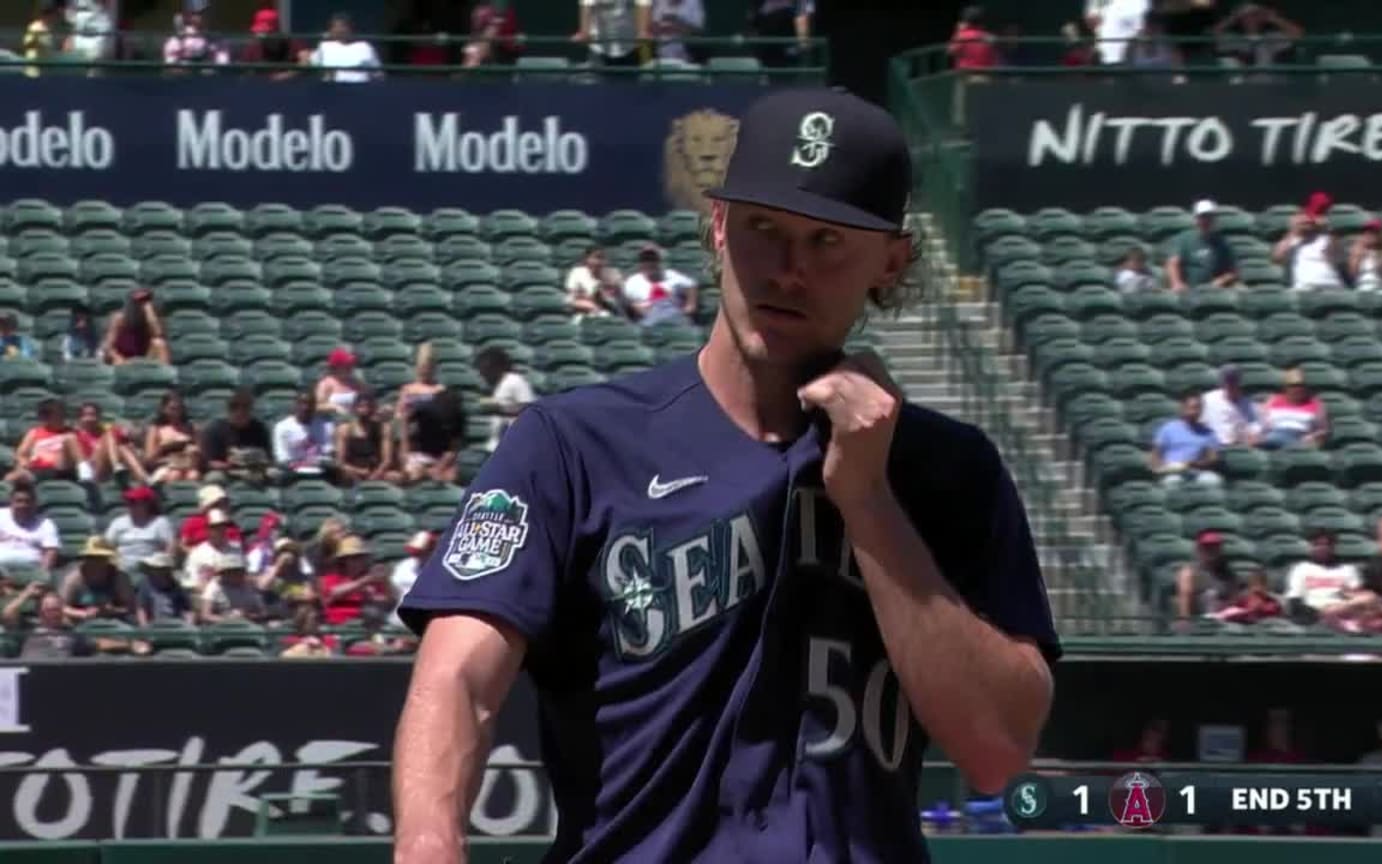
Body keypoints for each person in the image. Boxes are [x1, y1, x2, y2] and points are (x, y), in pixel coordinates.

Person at [392, 87, 1058, 863]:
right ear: (717, 225)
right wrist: (429, 842)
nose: (788, 270)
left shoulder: (949, 471)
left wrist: (869, 500)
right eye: (764, 229)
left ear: (892, 261)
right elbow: (459, 678)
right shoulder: (572, 445)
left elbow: (999, 748)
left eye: (827, 241)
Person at [1272, 194, 1347, 292]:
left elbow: (1339, 262)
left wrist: (1326, 230)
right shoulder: (1294, 240)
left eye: (1317, 215)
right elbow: (1277, 257)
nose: (1309, 221)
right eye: (1305, 217)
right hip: (1304, 289)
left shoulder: (1328, 238)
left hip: (1333, 286)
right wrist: (1294, 231)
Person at [1148, 391, 1224, 487]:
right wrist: (1160, 468)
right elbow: (1156, 454)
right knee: (1173, 481)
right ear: (1183, 408)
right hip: (1172, 472)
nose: (1195, 412)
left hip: (1197, 472)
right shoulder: (1168, 429)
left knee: (1213, 481)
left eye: (1199, 408)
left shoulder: (1208, 433)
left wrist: (1195, 464)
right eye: (1192, 408)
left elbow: (1213, 458)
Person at [5, 398, 86, 485]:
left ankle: (86, 476)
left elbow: (80, 454)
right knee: (11, 477)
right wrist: (23, 463)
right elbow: (21, 454)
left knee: (69, 439)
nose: (61, 417)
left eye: (61, 414)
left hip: (61, 469)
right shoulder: (35, 432)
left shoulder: (72, 433)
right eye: (57, 415)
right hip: (37, 470)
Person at [1166, 199, 1237, 292]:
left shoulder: (1223, 242)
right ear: (1196, 219)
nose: (1206, 220)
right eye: (1203, 217)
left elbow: (1233, 272)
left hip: (1215, 291)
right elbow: (1172, 263)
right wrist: (1177, 283)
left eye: (1210, 217)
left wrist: (1221, 280)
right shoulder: (1184, 239)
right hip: (1188, 290)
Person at [104, 486, 176, 576]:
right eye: (129, 502)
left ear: (147, 504)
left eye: (134, 502)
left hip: (151, 570)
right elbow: (107, 546)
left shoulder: (160, 522)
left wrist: (164, 566)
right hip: (121, 569)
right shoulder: (118, 522)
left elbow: (170, 546)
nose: (130, 505)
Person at [334, 390, 400, 485]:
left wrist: (376, 474)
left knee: (395, 477)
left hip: (377, 469)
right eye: (361, 406)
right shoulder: (345, 430)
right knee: (345, 475)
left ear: (374, 408)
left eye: (368, 406)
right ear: (354, 408)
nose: (365, 410)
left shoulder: (383, 429)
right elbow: (340, 462)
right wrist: (360, 471)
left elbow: (387, 460)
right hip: (354, 469)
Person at [622, 245, 699, 326]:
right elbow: (626, 303)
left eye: (653, 259)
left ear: (658, 261)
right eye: (645, 260)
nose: (649, 263)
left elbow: (691, 285)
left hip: (674, 313)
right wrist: (636, 308)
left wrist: (690, 305)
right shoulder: (633, 281)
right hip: (649, 317)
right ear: (641, 263)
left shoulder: (671, 274)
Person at [475, 347, 536, 450]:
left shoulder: (514, 380)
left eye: (485, 370)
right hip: (497, 446)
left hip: (514, 446)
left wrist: (501, 409)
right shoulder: (498, 384)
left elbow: (530, 408)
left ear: (496, 367)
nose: (482, 375)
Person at [1174, 530, 1240, 618]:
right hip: (1198, 621)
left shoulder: (1228, 574)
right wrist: (1184, 619)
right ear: (1199, 549)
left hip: (1223, 620)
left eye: (1214, 547)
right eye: (1207, 547)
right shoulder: (1189, 573)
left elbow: (1233, 600)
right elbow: (1184, 601)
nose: (1211, 551)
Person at [1256, 368, 1328, 449]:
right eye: (1293, 386)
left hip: (1299, 437)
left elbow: (1322, 430)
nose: (1297, 389)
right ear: (1286, 387)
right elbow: (1260, 421)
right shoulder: (1273, 400)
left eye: (1301, 385)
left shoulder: (1315, 404)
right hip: (1273, 434)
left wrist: (1312, 437)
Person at [143, 390, 202, 485]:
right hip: (165, 466)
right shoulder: (156, 428)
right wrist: (163, 447)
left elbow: (200, 454)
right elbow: (149, 460)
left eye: (179, 409)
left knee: (193, 475)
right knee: (175, 474)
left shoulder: (191, 427)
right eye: (172, 409)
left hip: (187, 465)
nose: (176, 413)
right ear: (164, 409)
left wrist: (194, 451)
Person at [0, 483, 60, 574]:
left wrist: (41, 577)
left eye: (28, 501)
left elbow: (51, 552)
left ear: (35, 504)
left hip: (31, 572)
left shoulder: (45, 523)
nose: (23, 505)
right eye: (18, 501)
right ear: (11, 502)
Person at [104, 288, 171, 365]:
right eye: (139, 301)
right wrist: (117, 357)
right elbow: (108, 346)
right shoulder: (119, 318)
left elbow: (157, 334)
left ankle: (161, 375)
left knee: (159, 344)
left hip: (144, 358)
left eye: (145, 301)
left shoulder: (153, 318)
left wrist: (149, 311)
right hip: (123, 358)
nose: (141, 304)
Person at [309, 13, 382, 83]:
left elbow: (378, 75)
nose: (339, 30)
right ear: (330, 30)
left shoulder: (365, 46)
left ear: (351, 28)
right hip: (332, 89)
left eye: (343, 26)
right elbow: (307, 63)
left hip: (361, 89)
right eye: (335, 27)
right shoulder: (324, 46)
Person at [564, 246, 626, 318]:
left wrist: (587, 296)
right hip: (585, 315)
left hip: (612, 313)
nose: (598, 262)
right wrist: (592, 305)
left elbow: (618, 297)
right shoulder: (577, 273)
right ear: (586, 259)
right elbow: (571, 299)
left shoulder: (613, 273)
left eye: (601, 258)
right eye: (595, 258)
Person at [1348, 218, 1382, 292]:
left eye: (1374, 232)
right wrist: (1357, 255)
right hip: (1363, 288)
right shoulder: (1358, 250)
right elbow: (1352, 275)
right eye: (1366, 232)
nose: (1369, 234)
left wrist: (1379, 257)